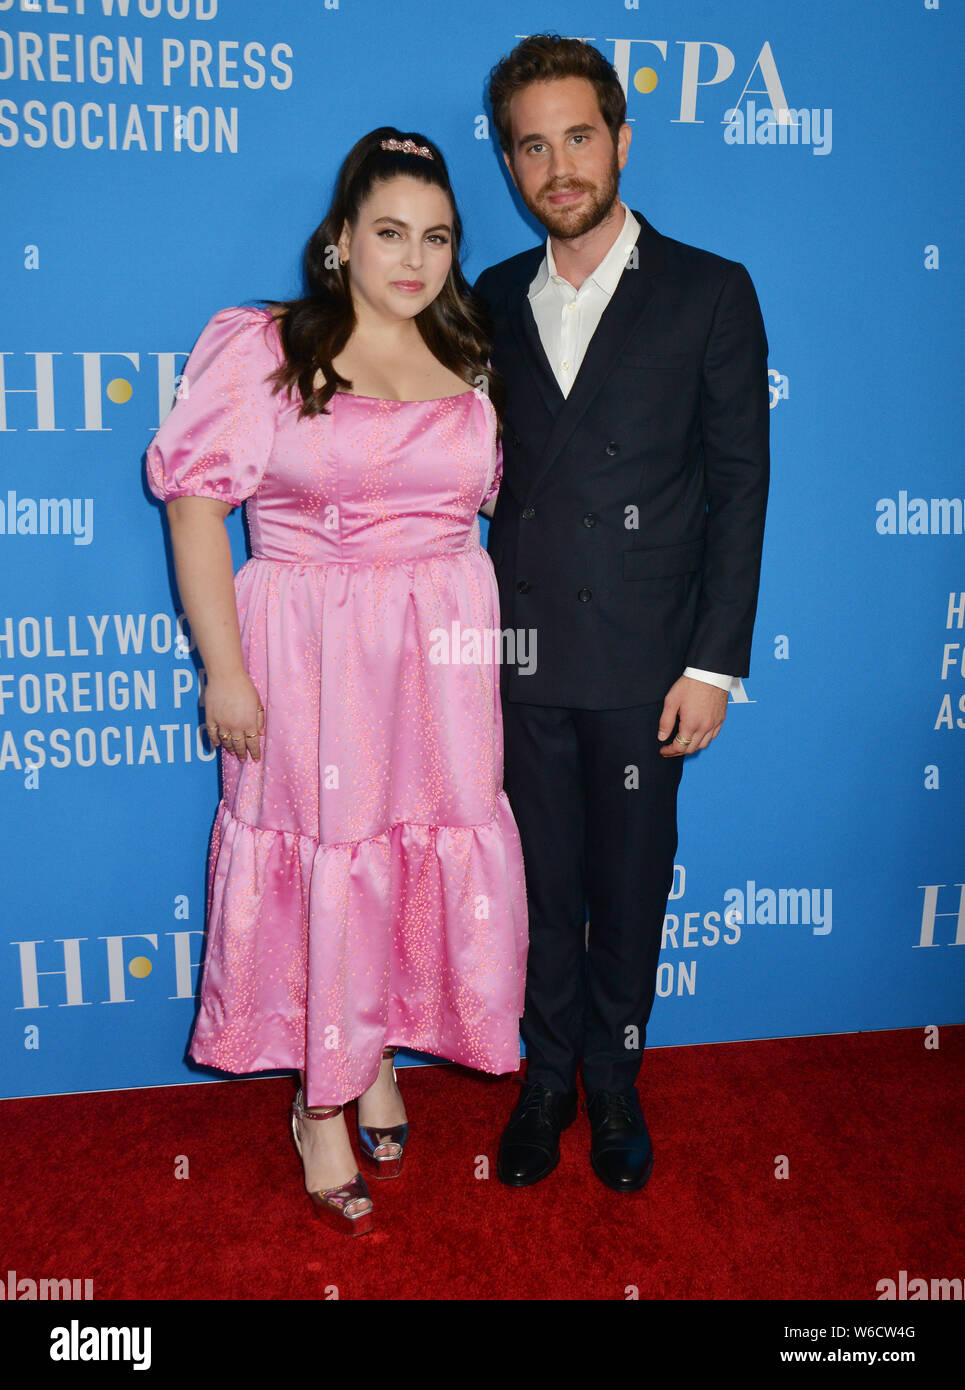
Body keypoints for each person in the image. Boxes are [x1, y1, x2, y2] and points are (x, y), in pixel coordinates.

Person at [145, 128, 528, 1235]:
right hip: (311, 654)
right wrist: (224, 668)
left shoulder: (469, 358)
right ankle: (319, 1101)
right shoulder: (265, 347)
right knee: (324, 857)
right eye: (389, 233)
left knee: (414, 847)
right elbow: (194, 506)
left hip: (442, 654)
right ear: (340, 242)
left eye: (437, 237)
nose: (413, 259)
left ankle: (370, 1059)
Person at [474, 36, 770, 1192]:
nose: (557, 166)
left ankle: (614, 1076)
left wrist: (714, 663)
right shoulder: (488, 297)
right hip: (521, 654)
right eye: (531, 145)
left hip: (648, 664)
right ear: (508, 161)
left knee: (629, 891)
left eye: (577, 136)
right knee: (541, 888)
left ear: (620, 140)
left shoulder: (707, 290)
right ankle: (544, 1076)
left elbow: (739, 486)